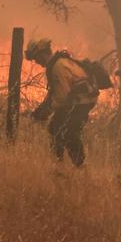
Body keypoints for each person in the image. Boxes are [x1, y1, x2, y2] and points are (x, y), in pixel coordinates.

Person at [26, 38, 99, 167]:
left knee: (66, 131)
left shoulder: (57, 67)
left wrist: (46, 112)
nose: (37, 62)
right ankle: (63, 164)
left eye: (37, 58)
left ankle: (77, 165)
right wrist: (40, 112)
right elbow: (54, 95)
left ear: (43, 54)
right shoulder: (61, 61)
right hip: (82, 100)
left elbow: (62, 97)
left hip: (79, 103)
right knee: (56, 128)